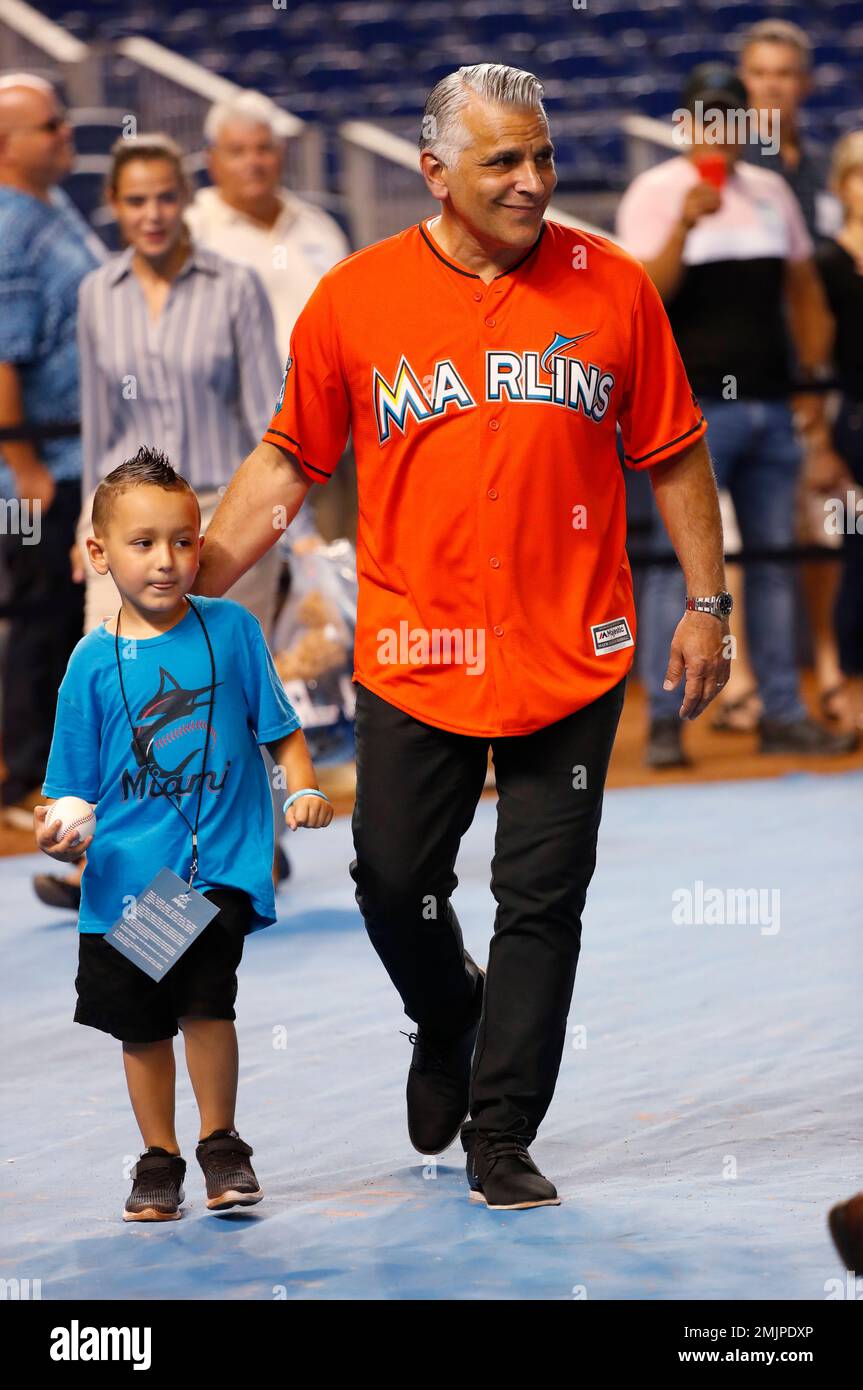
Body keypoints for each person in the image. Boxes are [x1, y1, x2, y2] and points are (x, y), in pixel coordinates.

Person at [193, 64, 731, 1211]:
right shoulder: (354, 298)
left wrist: (705, 601)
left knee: (543, 898)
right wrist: (199, 573)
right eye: (503, 162)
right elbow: (290, 457)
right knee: (394, 882)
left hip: (572, 649)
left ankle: (501, 1129)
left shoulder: (613, 286)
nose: (533, 181)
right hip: (418, 650)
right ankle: (446, 1014)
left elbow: (675, 447)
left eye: (540, 157)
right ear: (433, 174)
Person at [33, 449, 332, 1221]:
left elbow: (282, 731)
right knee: (140, 1025)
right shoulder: (90, 664)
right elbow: (68, 789)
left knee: (206, 1004)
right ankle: (158, 1156)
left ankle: (221, 1143)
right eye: (142, 543)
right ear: (98, 553)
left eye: (183, 540)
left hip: (214, 870)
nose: (166, 561)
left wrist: (300, 786)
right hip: (123, 883)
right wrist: (60, 835)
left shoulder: (231, 630)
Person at [34, 132, 287, 913]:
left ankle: (243, 848)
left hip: (219, 511)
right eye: (135, 201)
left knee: (227, 689)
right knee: (111, 682)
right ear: (113, 208)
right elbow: (96, 418)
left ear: (187, 200)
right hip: (122, 519)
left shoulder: (236, 286)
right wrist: (93, 528)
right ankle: (102, 858)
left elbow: (262, 418)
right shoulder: (94, 294)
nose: (152, 214)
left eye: (166, 198)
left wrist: (282, 527)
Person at [616, 64, 856, 767]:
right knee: (673, 565)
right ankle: (665, 721)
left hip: (771, 408)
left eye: (730, 117)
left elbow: (804, 292)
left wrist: (810, 387)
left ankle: (780, 712)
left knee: (775, 558)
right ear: (686, 125)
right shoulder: (653, 194)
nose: (718, 131)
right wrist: (683, 227)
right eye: (706, 117)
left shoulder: (772, 193)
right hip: (686, 415)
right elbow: (643, 301)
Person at [0, 74, 103, 829]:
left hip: (78, 456)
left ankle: (67, 773)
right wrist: (23, 466)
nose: (68, 136)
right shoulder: (7, 224)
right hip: (36, 467)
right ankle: (27, 779)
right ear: (7, 146)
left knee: (67, 614)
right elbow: (1, 356)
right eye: (52, 127)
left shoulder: (54, 207)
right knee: (40, 616)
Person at [739, 20, 848, 726]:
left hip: (818, 376)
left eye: (784, 73)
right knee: (742, 540)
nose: (771, 85)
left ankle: (827, 659)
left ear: (804, 84)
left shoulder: (825, 172)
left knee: (822, 528)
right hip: (745, 378)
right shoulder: (727, 170)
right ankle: (741, 680)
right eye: (758, 73)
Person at [184, 91, 349, 362]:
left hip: (323, 394)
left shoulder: (320, 225)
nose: (253, 163)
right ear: (211, 161)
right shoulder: (191, 229)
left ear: (281, 153)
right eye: (237, 151)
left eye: (263, 149)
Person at [815, 131, 863, 733]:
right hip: (852, 422)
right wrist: (819, 442)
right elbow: (813, 353)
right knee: (859, 556)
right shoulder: (825, 261)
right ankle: (850, 689)